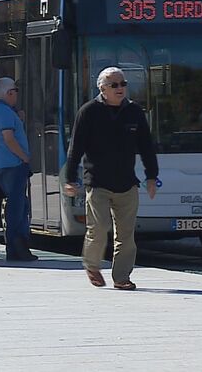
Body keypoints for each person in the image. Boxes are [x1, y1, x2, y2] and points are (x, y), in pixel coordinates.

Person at [64, 66, 158, 291]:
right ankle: (92, 264)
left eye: (123, 84)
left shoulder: (134, 111)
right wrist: (70, 178)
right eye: (114, 85)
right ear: (102, 89)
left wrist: (151, 176)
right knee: (98, 229)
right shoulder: (88, 112)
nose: (120, 89)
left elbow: (146, 146)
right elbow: (75, 148)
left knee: (126, 234)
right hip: (97, 182)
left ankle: (121, 277)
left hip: (127, 183)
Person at [0, 77, 36, 262]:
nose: (17, 94)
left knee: (19, 203)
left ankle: (16, 248)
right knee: (18, 207)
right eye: (15, 90)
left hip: (2, 165)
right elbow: (8, 138)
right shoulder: (5, 112)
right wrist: (24, 156)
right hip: (13, 164)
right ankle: (18, 247)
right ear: (9, 93)